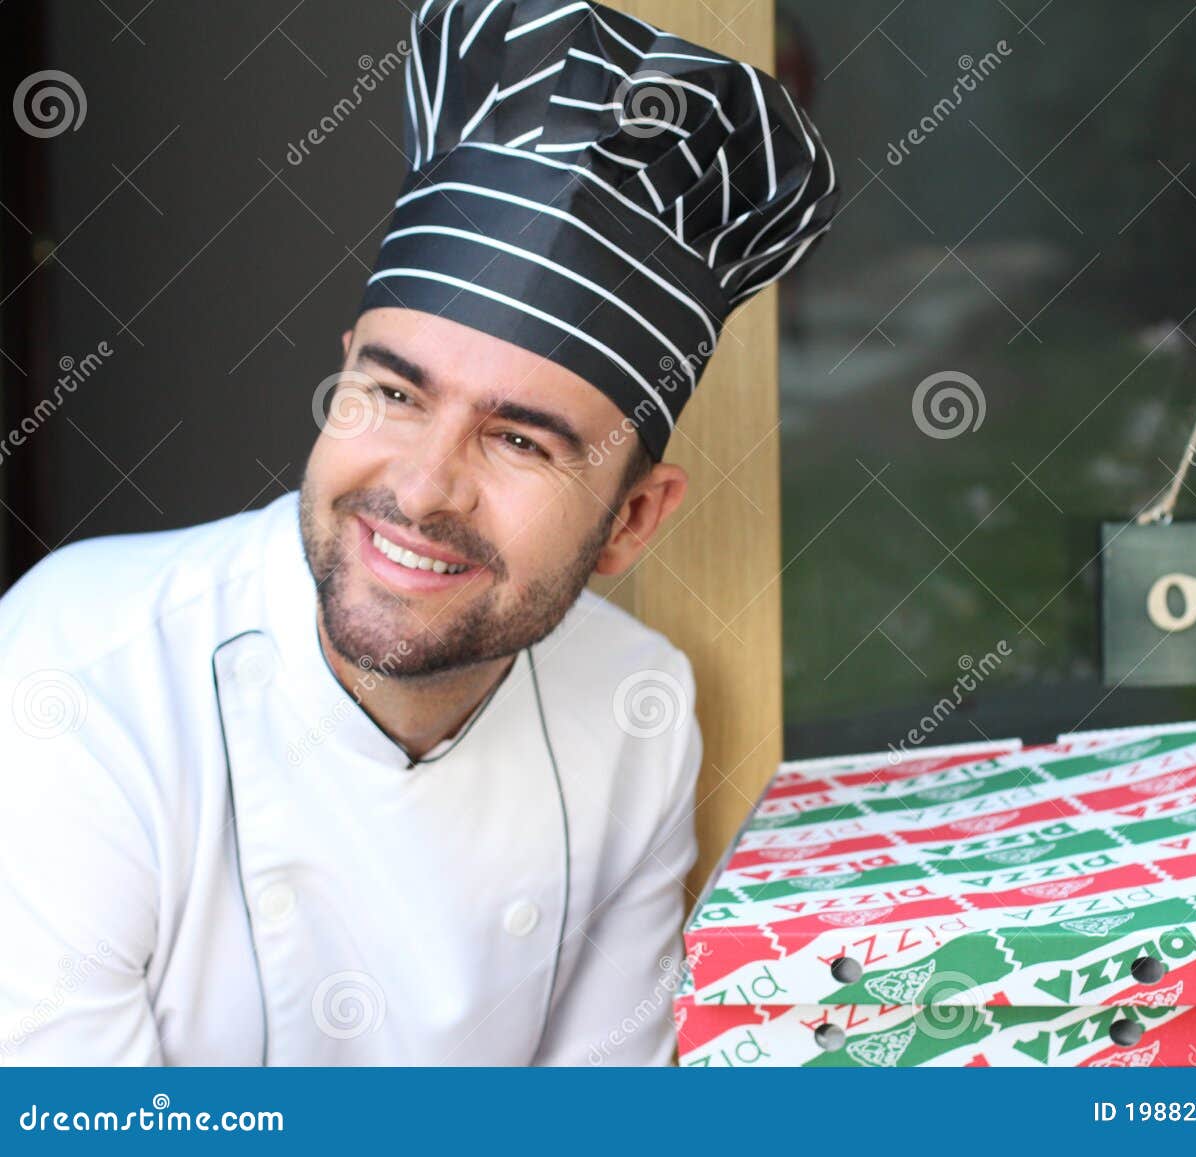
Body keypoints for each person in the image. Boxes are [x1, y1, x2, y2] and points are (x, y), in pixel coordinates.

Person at [0, 0, 837, 1065]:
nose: (425, 488)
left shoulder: (637, 711)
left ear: (632, 518)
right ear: (343, 370)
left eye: (521, 443)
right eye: (393, 393)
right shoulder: (75, 680)